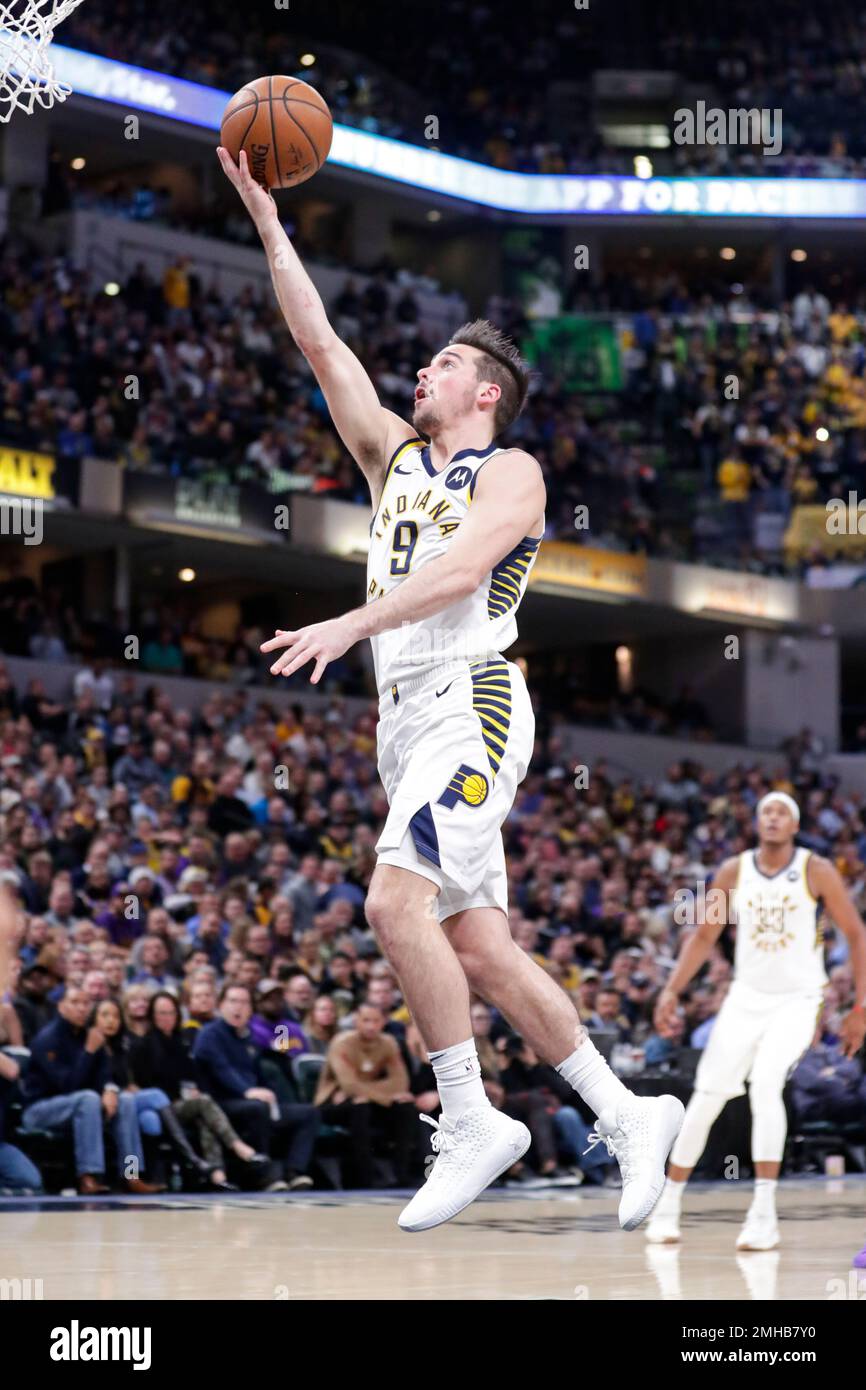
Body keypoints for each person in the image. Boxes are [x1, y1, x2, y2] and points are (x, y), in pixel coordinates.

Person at [219, 141, 683, 1233]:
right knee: (474, 945)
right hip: (403, 719)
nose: (413, 376)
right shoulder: (390, 460)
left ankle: (470, 1117)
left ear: (482, 391)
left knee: (391, 902)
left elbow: (462, 572)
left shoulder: (509, 473)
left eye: (434, 367)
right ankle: (626, 1114)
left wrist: (349, 620)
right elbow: (316, 339)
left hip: (470, 700)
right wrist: (265, 217)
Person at [647, 792, 866, 1251]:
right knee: (706, 1097)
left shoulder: (815, 869)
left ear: (794, 824)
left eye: (781, 811)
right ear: (756, 822)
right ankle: (668, 1204)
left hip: (799, 999)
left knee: (767, 1085)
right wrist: (671, 989)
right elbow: (705, 933)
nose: (772, 817)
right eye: (765, 811)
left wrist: (860, 1006)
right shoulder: (733, 870)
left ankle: (763, 1214)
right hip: (746, 997)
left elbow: (855, 932)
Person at [18, 984, 164, 1194]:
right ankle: (89, 1176)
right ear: (62, 1007)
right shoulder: (47, 1039)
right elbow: (66, 1086)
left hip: (80, 1105)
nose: (81, 1008)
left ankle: (132, 1175)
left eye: (86, 1003)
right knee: (88, 1098)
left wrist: (111, 1090)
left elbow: (105, 1074)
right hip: (40, 1110)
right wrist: (88, 1052)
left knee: (127, 1101)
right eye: (75, 1003)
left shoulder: (89, 1035)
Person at [130, 991, 267, 1190]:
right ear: (152, 1015)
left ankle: (217, 1175)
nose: (166, 1018)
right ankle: (238, 1147)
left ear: (177, 1015)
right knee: (204, 1103)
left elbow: (192, 1076)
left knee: (204, 1116)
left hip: (183, 1103)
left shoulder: (182, 1041)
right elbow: (143, 1085)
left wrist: (192, 1089)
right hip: (160, 1106)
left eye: (170, 1013)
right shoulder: (142, 1045)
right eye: (161, 1013)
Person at [193, 982, 320, 1191]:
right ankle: (262, 1176)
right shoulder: (209, 1034)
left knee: (309, 1113)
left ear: (251, 1009)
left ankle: (294, 1172)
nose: (238, 1007)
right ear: (221, 1005)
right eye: (233, 1001)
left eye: (244, 1002)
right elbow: (222, 1070)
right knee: (256, 1107)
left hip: (253, 1101)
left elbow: (260, 1075)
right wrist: (247, 1091)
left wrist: (272, 1096)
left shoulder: (250, 1038)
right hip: (220, 1104)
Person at [314, 1002, 418, 1187]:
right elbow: (349, 1086)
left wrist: (375, 1094)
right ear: (356, 1021)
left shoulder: (388, 1043)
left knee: (405, 1106)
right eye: (366, 1020)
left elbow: (400, 1083)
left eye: (376, 1021)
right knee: (359, 1108)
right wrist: (386, 1095)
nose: (371, 1026)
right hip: (332, 1102)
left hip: (367, 1101)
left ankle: (402, 1175)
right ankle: (366, 1178)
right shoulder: (341, 1043)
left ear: (384, 1022)